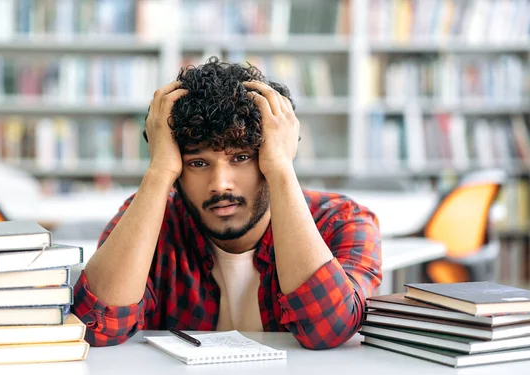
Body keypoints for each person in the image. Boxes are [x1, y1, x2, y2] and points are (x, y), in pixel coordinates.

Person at [72, 57, 382, 350]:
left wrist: (282, 170)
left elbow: (328, 329)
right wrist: (159, 171)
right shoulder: (152, 217)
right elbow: (95, 325)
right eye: (198, 163)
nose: (220, 184)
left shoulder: (341, 221)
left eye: (241, 157)